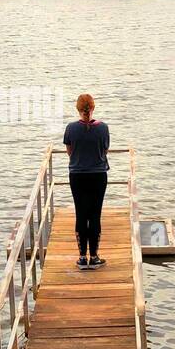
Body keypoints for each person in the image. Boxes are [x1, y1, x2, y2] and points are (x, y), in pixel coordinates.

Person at [63, 93, 110, 269]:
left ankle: (82, 257)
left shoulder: (70, 128)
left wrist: (79, 161)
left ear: (77, 108)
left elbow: (70, 150)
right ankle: (95, 256)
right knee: (95, 214)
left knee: (81, 213)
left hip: (77, 175)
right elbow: (104, 150)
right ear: (93, 107)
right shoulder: (103, 128)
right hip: (98, 175)